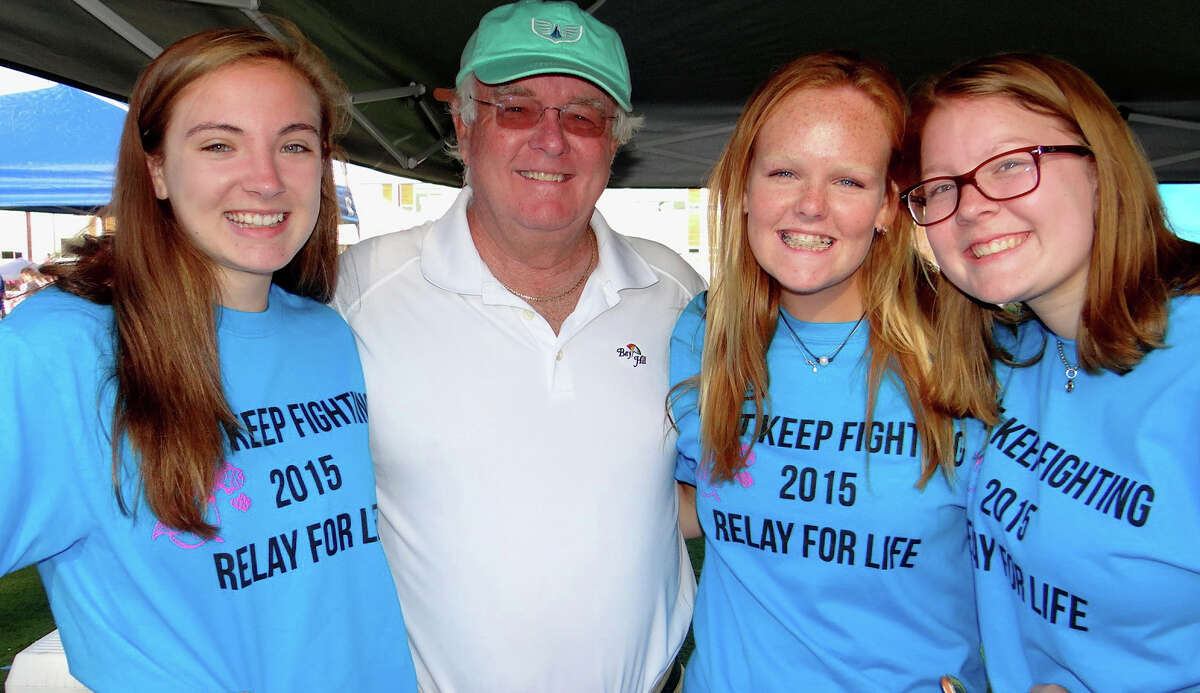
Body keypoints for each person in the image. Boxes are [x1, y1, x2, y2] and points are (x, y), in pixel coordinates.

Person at [0, 25, 417, 692]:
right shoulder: (63, 349)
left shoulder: (327, 335)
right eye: (220, 144)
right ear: (157, 168)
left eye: (294, 145)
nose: (265, 179)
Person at [333, 1, 703, 690]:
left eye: (583, 115)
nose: (552, 140)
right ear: (463, 125)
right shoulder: (357, 295)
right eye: (517, 108)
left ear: (614, 142)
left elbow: (702, 483)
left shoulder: (675, 293)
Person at [669, 52, 986, 691]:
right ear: (744, 186)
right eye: (785, 171)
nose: (811, 206)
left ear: (890, 205)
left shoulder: (974, 350)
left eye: (847, 181)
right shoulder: (706, 334)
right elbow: (689, 503)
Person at [902, 53, 1200, 692]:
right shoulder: (1011, 354)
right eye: (943, 184)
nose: (973, 207)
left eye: (1010, 164)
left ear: (1100, 171)